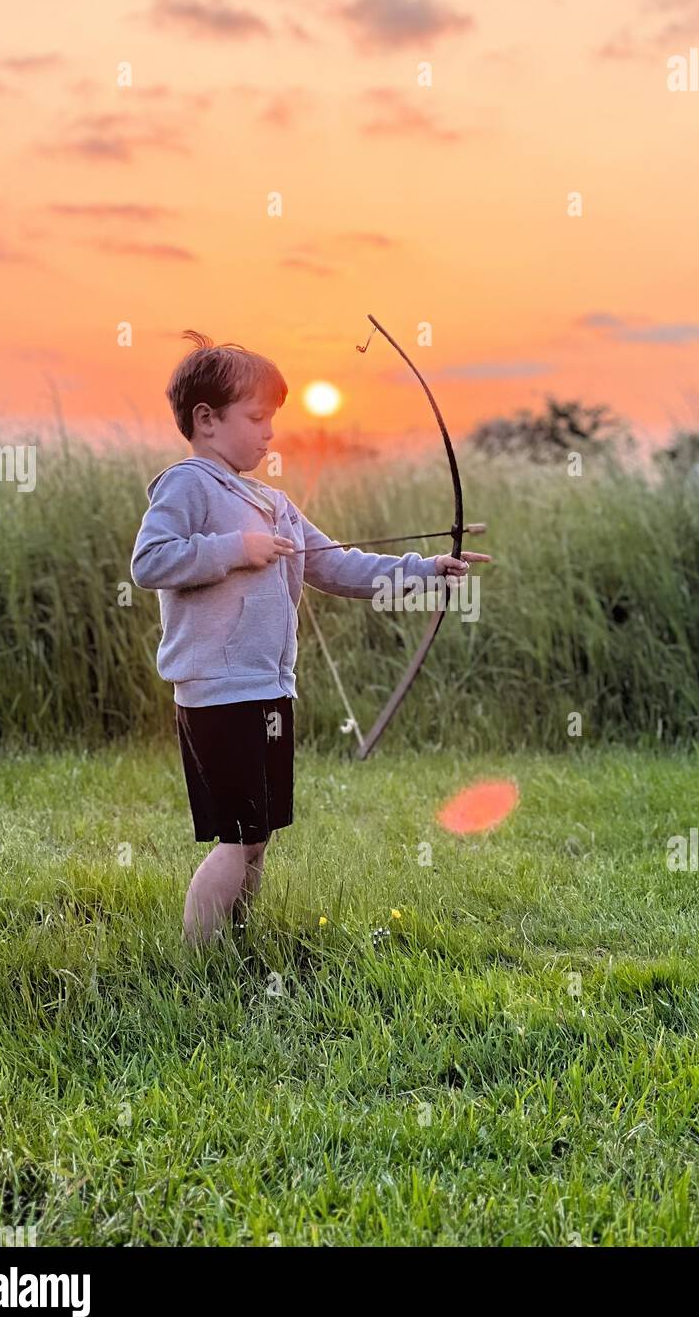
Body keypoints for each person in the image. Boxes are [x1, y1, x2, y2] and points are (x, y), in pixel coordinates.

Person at [130, 330, 490, 947]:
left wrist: (426, 571)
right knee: (237, 835)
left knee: (258, 833)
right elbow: (150, 561)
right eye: (258, 417)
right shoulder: (186, 485)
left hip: (269, 688)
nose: (270, 432)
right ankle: (196, 963)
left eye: (273, 418)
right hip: (218, 691)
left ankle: (232, 944)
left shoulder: (273, 502)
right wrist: (235, 549)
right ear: (207, 420)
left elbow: (337, 565)